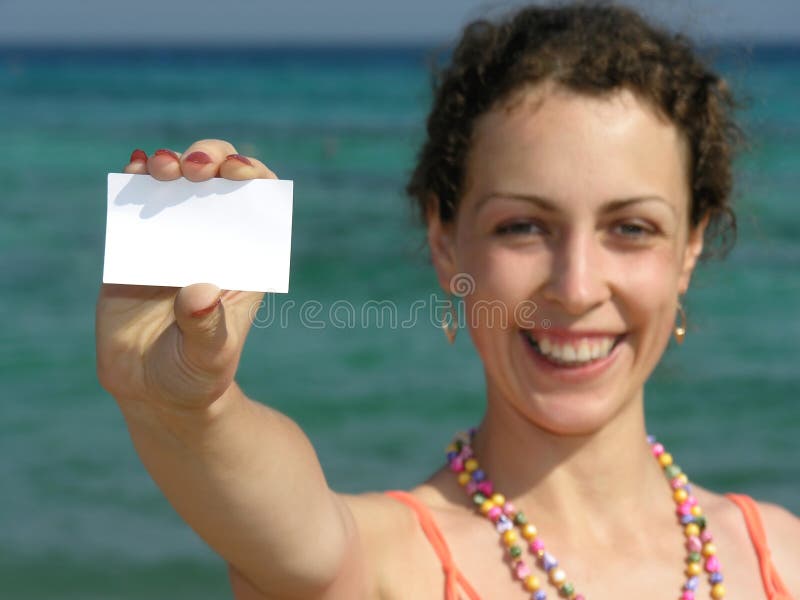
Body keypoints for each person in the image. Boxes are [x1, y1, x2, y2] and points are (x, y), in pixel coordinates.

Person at [96, 4, 799, 599]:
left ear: (692, 246)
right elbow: (294, 538)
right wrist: (188, 411)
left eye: (632, 229)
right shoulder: (379, 567)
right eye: (522, 226)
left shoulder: (784, 559)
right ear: (445, 240)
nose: (578, 286)